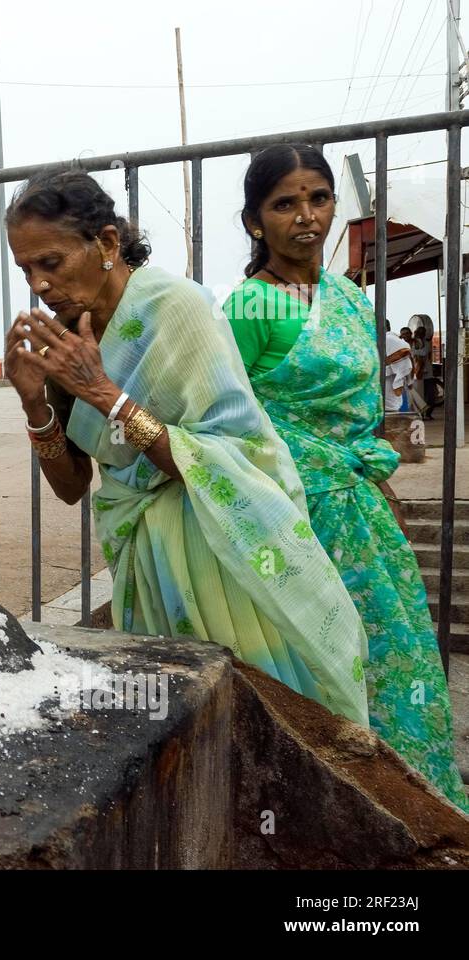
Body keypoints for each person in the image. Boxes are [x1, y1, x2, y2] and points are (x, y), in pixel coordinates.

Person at [3, 169, 370, 728]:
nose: (38, 284)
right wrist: (35, 404)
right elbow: (73, 486)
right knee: (174, 723)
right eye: (25, 268)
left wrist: (104, 393)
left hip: (219, 548)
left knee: (249, 715)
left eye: (49, 263)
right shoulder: (68, 336)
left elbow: (230, 454)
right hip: (145, 560)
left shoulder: (177, 307)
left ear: (105, 243)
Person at [224, 144, 467, 810]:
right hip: (287, 518)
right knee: (313, 678)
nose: (306, 217)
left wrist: (378, 480)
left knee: (393, 666)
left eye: (319, 198)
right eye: (285, 203)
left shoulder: (351, 302)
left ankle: (409, 813)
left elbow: (370, 418)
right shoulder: (249, 310)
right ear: (255, 221)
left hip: (361, 520)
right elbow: (220, 421)